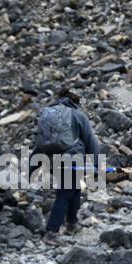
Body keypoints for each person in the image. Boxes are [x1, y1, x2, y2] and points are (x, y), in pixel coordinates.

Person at [33, 91, 102, 240]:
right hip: (72, 159)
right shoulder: (77, 115)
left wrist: (32, 167)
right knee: (64, 194)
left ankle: (72, 223)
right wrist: (96, 165)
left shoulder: (47, 115)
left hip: (52, 160)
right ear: (74, 102)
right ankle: (51, 232)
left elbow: (39, 143)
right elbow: (91, 140)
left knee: (74, 189)